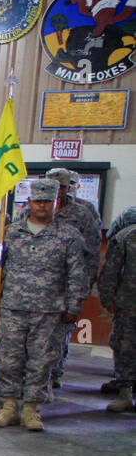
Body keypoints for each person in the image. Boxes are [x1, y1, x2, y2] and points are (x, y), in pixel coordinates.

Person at [0, 179, 86, 431]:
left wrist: (74, 305)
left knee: (41, 361)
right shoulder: (10, 233)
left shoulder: (68, 235)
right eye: (37, 200)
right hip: (12, 307)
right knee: (9, 359)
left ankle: (31, 409)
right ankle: (8, 406)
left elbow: (77, 273)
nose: (42, 205)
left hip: (50, 310)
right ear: (29, 202)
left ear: (56, 203)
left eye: (47, 201)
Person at [44, 167, 101, 388]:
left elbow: (92, 252)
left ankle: (53, 374)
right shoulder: (32, 211)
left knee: (59, 333)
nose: (57, 192)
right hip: (36, 285)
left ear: (69, 188)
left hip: (67, 285)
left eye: (61, 188)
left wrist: (85, 285)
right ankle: (39, 377)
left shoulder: (83, 214)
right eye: (52, 187)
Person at [98, 214, 136, 412]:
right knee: (125, 347)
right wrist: (108, 298)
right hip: (129, 305)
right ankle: (124, 394)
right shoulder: (126, 237)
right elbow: (110, 271)